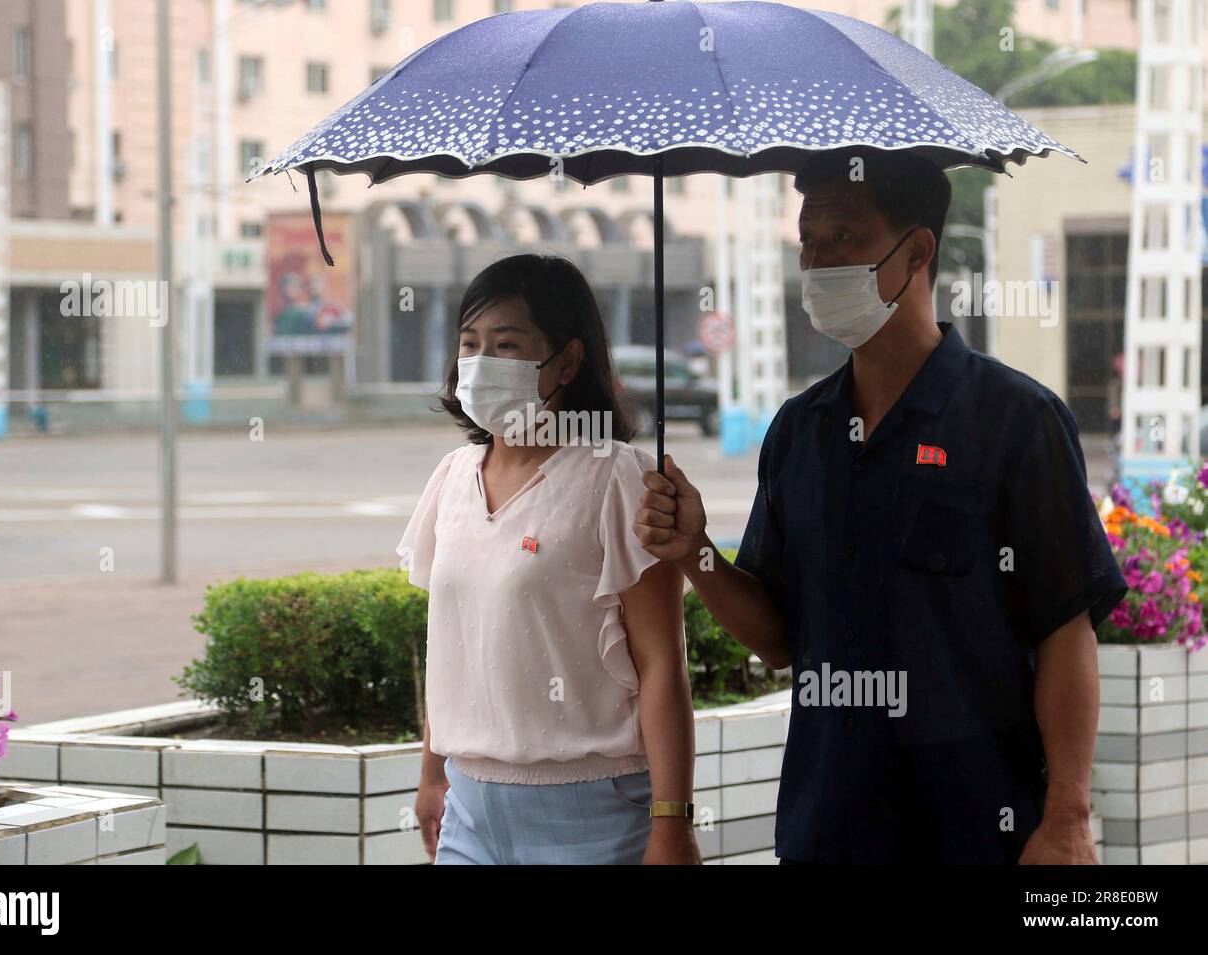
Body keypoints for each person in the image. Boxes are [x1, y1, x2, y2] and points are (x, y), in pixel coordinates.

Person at [634, 146, 1128, 865]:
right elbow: (779, 640)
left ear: (917, 250)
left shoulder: (1015, 420)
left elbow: (1065, 629)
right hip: (827, 828)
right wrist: (695, 552)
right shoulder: (800, 431)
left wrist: (1068, 818)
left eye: (844, 238)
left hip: (982, 831)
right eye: (807, 242)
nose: (818, 262)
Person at [398, 253, 701, 865]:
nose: (481, 362)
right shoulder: (452, 477)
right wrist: (433, 773)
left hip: (594, 811)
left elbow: (662, 665)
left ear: (567, 358)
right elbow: (452, 644)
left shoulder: (621, 479)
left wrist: (672, 823)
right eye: (470, 343)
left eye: (506, 344)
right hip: (469, 810)